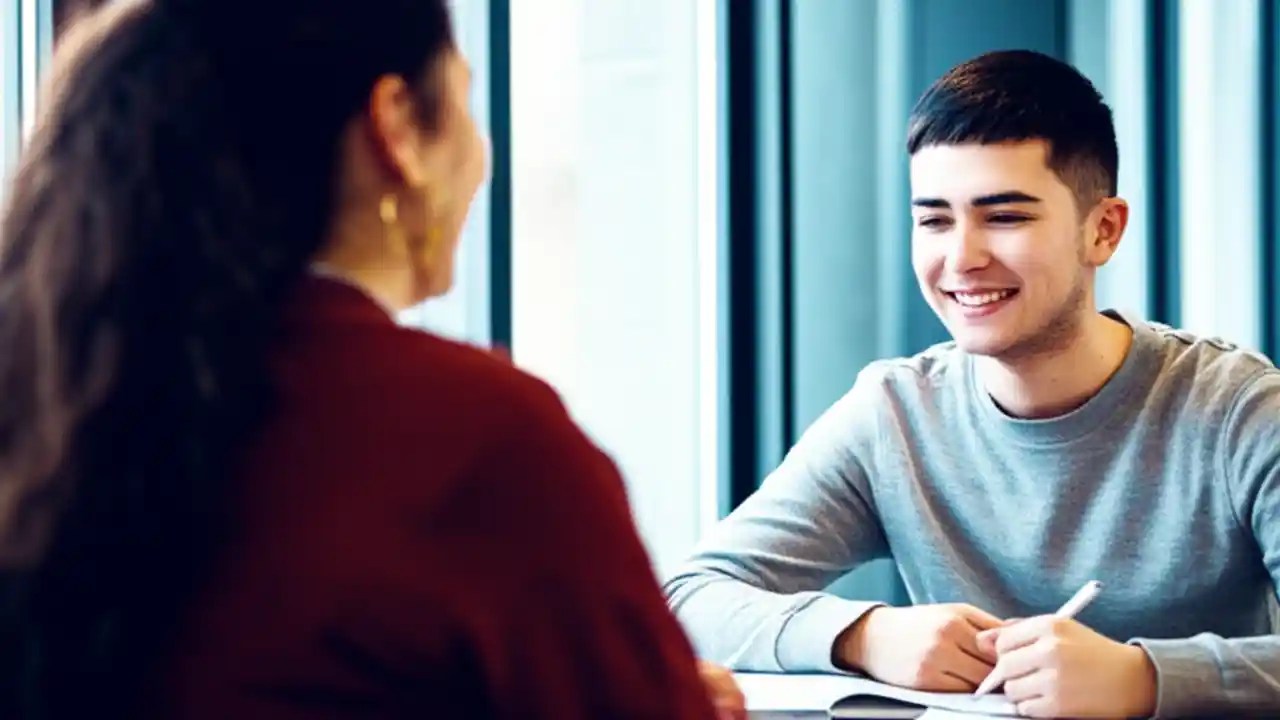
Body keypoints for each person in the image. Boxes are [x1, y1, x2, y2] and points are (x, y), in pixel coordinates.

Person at [0, 1, 743, 719]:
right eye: (464, 100)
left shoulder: (50, 390)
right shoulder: (474, 439)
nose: (483, 158)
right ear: (396, 127)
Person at [665, 49, 1280, 719]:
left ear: (1102, 230)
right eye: (933, 220)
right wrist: (862, 635)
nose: (961, 258)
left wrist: (1144, 678)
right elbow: (687, 596)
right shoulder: (896, 413)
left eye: (1005, 217)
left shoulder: (1240, 409)